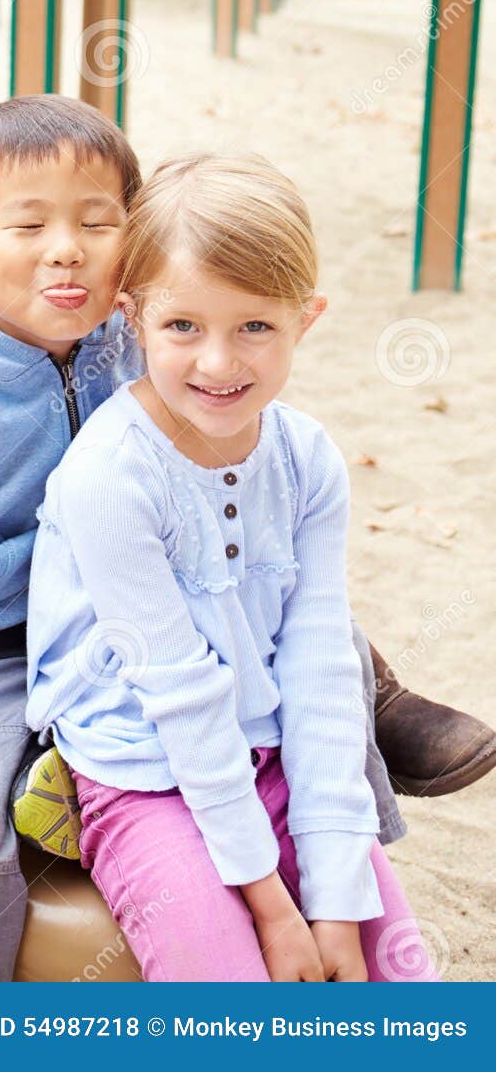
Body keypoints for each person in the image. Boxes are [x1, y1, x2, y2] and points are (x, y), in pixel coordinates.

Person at [0, 99, 492, 984]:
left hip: (153, 612)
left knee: (293, 621)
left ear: (133, 252)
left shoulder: (144, 334)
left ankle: (358, 789)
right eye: (27, 224)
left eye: (96, 222)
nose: (64, 247)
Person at [26, 154, 440, 983]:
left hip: (274, 752)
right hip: (139, 771)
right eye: (183, 327)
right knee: (230, 992)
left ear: (305, 318)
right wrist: (272, 907)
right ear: (133, 317)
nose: (218, 364)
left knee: (393, 977)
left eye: (254, 326)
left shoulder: (306, 459)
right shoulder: (110, 474)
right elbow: (174, 690)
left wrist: (329, 894)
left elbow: (321, 667)